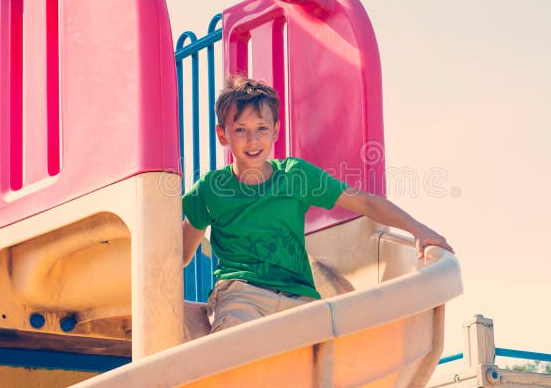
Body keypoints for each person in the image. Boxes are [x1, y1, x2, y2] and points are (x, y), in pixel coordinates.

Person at [182, 78, 453, 333]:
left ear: (276, 130)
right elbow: (180, 255)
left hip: (299, 298)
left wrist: (417, 229)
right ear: (222, 134)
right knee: (237, 340)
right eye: (241, 130)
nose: (252, 140)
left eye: (261, 128)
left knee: (331, 345)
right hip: (242, 294)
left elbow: (365, 202)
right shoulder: (210, 189)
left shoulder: (295, 176)